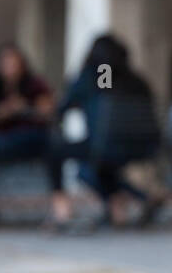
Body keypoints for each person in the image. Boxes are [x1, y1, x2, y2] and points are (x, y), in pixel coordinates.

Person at [58, 34, 164, 226]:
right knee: (100, 167)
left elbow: (62, 108)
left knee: (80, 165)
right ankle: (134, 200)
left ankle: (65, 209)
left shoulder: (95, 77)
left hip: (105, 145)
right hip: (144, 146)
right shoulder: (138, 81)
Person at [0, 43, 68, 226]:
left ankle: (59, 201)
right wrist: (3, 112)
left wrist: (25, 108)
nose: (10, 67)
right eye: (6, 62)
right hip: (2, 142)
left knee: (54, 143)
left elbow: (48, 112)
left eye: (14, 62)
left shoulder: (34, 84)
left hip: (33, 138)